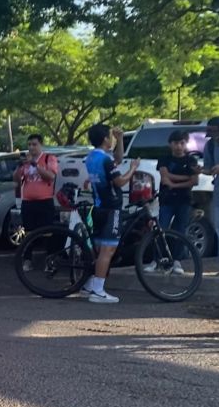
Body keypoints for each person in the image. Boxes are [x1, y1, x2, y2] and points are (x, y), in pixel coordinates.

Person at [82, 123, 136, 304]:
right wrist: (133, 168)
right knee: (108, 250)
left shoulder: (92, 157)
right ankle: (98, 291)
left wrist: (120, 139)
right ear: (105, 138)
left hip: (98, 207)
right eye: (110, 136)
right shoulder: (104, 159)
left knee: (99, 250)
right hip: (111, 207)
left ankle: (90, 284)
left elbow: (117, 159)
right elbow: (120, 182)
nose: (111, 138)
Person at [147, 130, 199, 273]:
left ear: (186, 144)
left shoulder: (191, 160)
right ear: (170, 144)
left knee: (180, 230)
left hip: (184, 200)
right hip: (167, 199)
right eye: (176, 143)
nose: (179, 146)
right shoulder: (164, 158)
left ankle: (177, 261)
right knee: (161, 229)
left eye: (182, 143)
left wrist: (174, 182)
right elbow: (165, 177)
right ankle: (156, 260)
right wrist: (187, 177)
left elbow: (195, 181)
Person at [13, 134, 59, 271]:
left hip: (44, 201)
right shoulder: (26, 162)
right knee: (27, 233)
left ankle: (49, 260)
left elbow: (50, 176)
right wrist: (19, 167)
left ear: (41, 145)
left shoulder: (48, 158)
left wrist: (35, 164)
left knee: (48, 233)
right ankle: (27, 259)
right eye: (29, 145)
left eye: (34, 144)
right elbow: (16, 180)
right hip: (28, 202)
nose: (31, 147)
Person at [203, 117, 219, 248]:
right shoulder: (210, 145)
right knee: (217, 225)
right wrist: (201, 170)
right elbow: (209, 169)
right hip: (217, 191)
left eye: (214, 131)